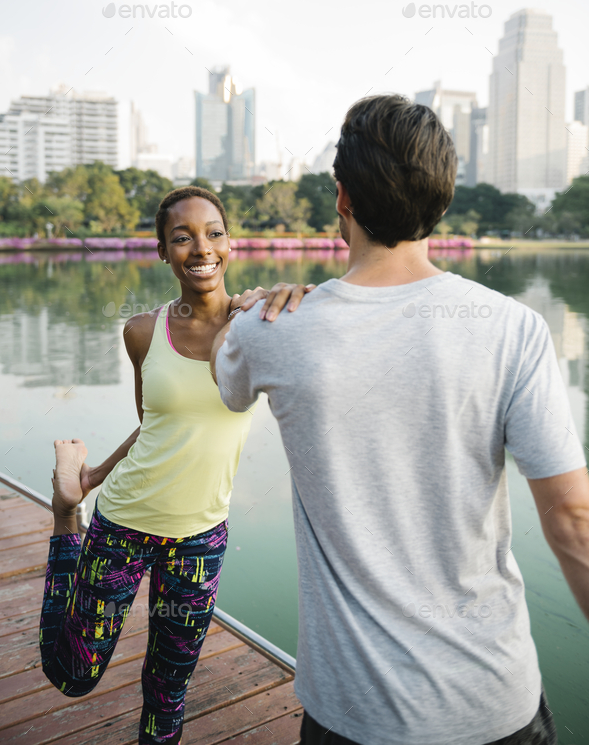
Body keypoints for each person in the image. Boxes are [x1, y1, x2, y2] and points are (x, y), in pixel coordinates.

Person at [211, 96, 589, 745]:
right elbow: (573, 520)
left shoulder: (272, 329)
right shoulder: (515, 328)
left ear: (342, 198)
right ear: (441, 201)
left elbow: (225, 378)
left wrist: (248, 304)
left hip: (352, 715)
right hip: (495, 705)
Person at [42, 185, 314, 745]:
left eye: (214, 233)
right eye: (182, 237)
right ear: (162, 251)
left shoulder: (262, 330)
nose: (201, 248)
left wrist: (290, 295)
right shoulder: (142, 331)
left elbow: (340, 329)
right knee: (72, 674)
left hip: (198, 541)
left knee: (168, 695)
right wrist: (88, 484)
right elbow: (155, 427)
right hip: (122, 527)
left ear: (231, 244)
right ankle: (64, 522)